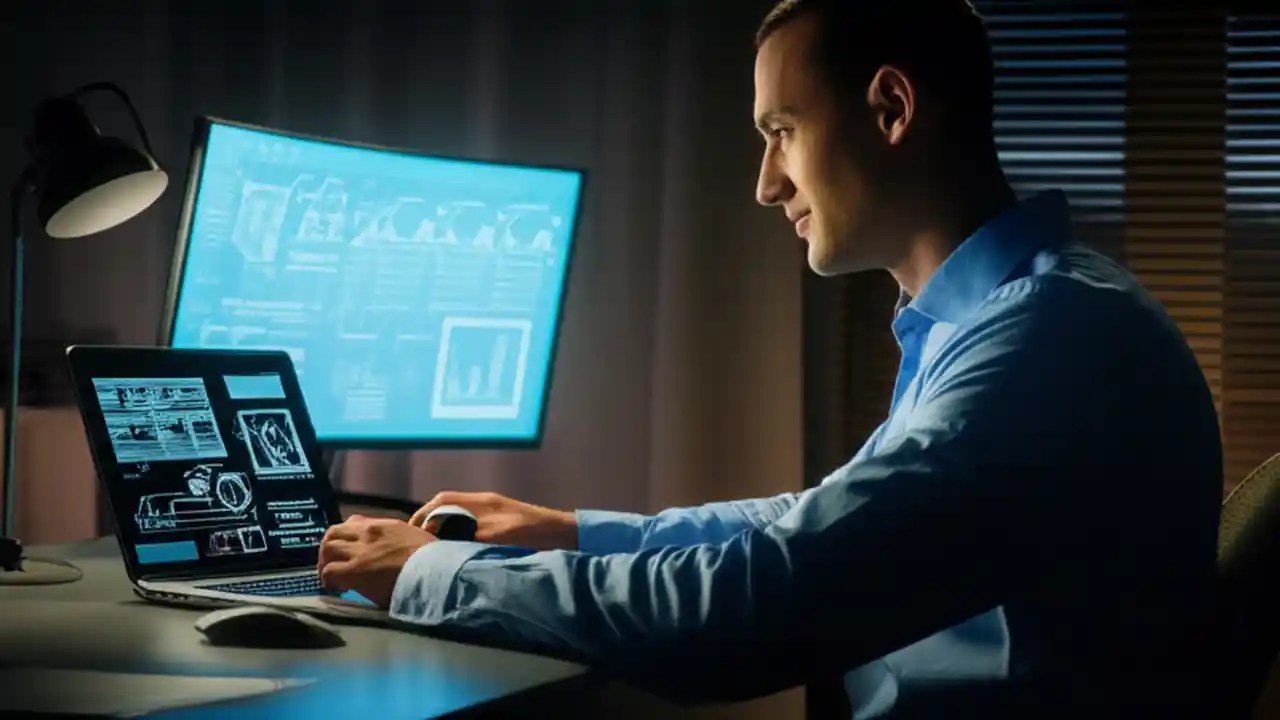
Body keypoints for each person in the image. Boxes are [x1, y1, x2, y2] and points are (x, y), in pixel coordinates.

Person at [317, 1, 1223, 717]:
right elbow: (815, 524)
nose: (765, 182)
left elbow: (761, 608)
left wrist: (434, 573)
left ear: (892, 109)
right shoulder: (997, 317)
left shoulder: (1047, 340)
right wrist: (569, 529)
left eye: (781, 129)